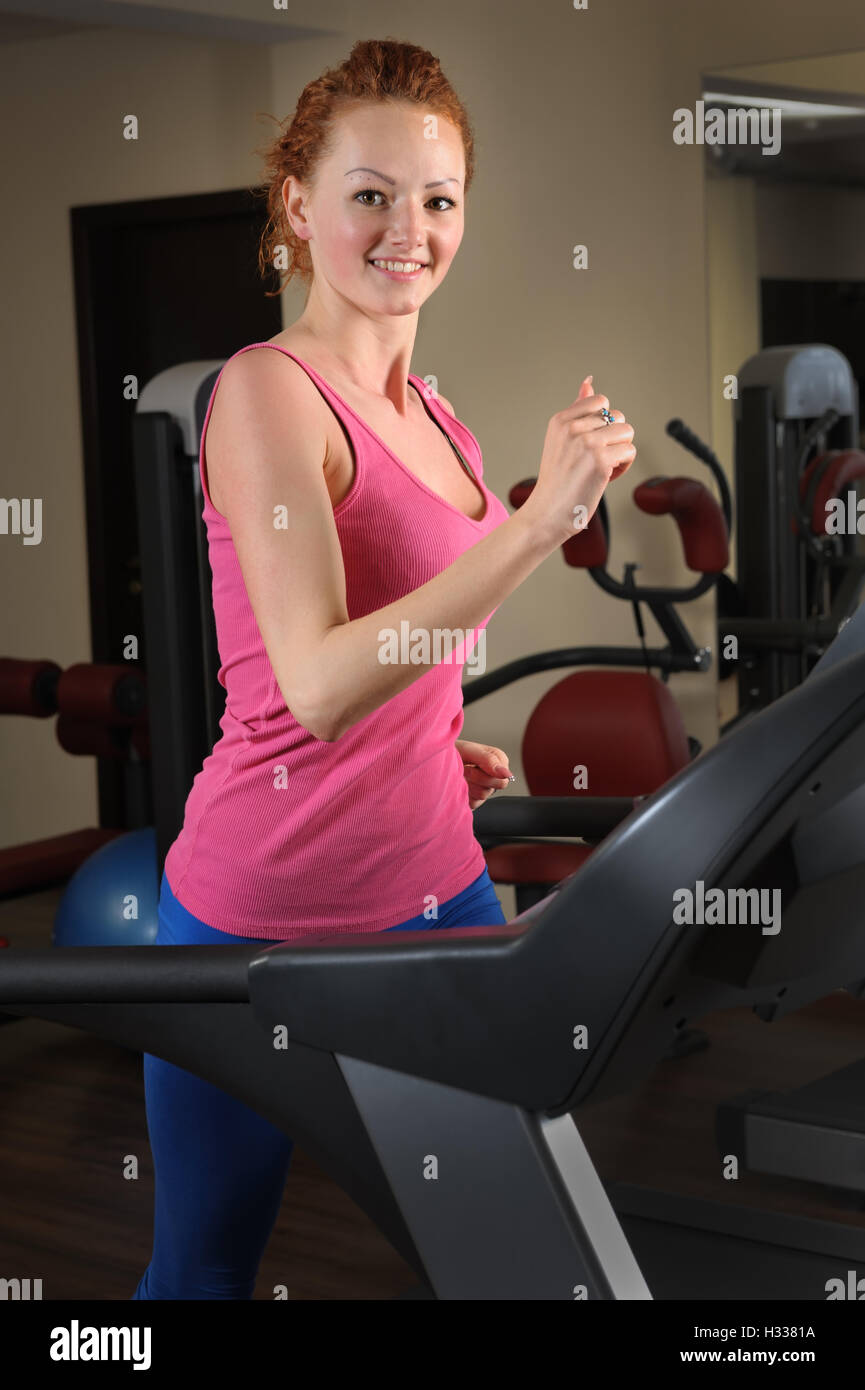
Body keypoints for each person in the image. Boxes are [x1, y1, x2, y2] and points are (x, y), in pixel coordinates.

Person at [133, 36, 636, 1301]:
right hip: (254, 926)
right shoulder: (263, 396)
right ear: (299, 208)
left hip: (435, 894)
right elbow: (306, 680)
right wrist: (536, 526)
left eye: (438, 198)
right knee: (200, 1273)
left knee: (523, 1258)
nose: (408, 229)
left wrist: (424, 738)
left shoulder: (443, 415)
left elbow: (399, 652)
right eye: (370, 194)